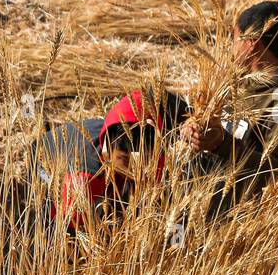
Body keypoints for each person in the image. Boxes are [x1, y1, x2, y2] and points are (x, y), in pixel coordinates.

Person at [180, 1, 278, 218]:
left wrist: (221, 144)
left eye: (234, 39)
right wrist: (191, 128)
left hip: (230, 215)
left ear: (252, 43)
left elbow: (275, 172)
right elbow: (206, 119)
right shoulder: (235, 79)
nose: (231, 46)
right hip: (194, 192)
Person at [36, 89, 188, 230]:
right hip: (42, 158)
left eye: (144, 156)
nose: (138, 163)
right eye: (126, 155)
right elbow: (65, 233)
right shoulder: (83, 179)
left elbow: (170, 206)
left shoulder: (149, 148)